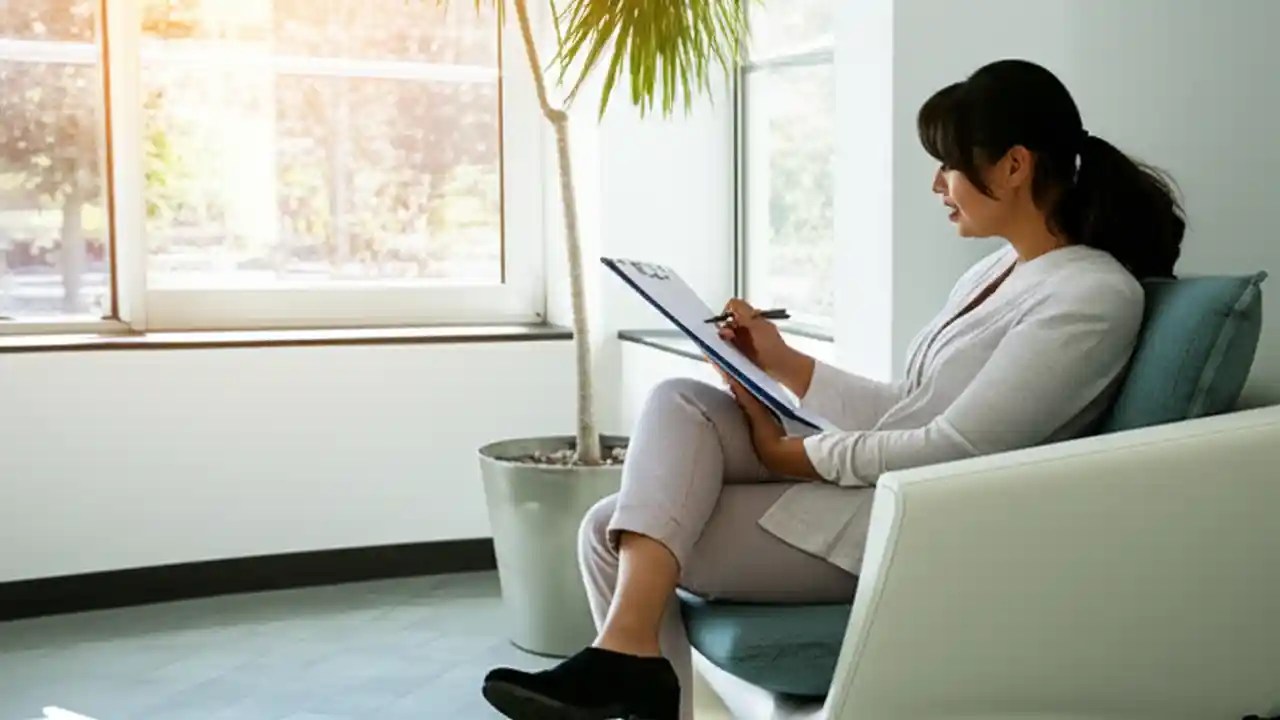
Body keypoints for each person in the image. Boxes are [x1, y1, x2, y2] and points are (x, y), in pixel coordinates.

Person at [480, 58, 1186, 720]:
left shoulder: (1092, 295)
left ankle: (627, 660)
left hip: (920, 519)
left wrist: (792, 455)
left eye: (948, 163)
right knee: (679, 401)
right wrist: (782, 364)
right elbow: (911, 406)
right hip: (886, 484)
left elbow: (961, 448)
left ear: (1013, 165)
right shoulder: (997, 273)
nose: (937, 183)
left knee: (612, 531)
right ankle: (627, 654)